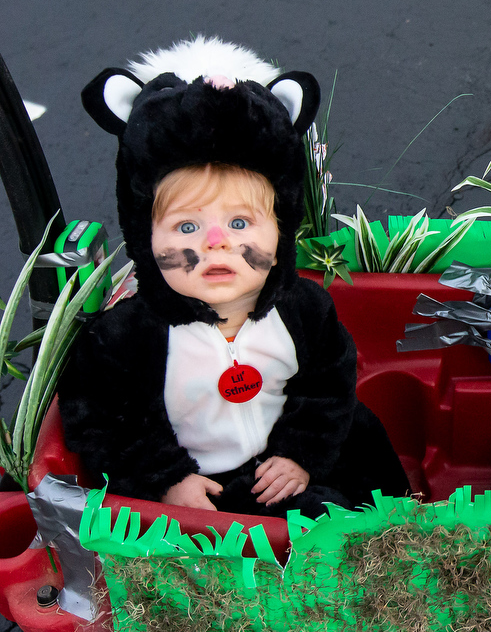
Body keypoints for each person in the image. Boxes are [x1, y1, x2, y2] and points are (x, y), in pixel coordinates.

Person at [59, 36, 409, 517]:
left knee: (368, 493)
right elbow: (107, 423)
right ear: (145, 235)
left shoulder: (305, 309)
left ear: (280, 231)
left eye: (241, 223)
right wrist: (167, 479)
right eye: (187, 226)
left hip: (293, 461)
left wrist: (300, 453)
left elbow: (328, 383)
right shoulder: (124, 339)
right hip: (208, 487)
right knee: (304, 529)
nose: (216, 242)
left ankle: (400, 523)